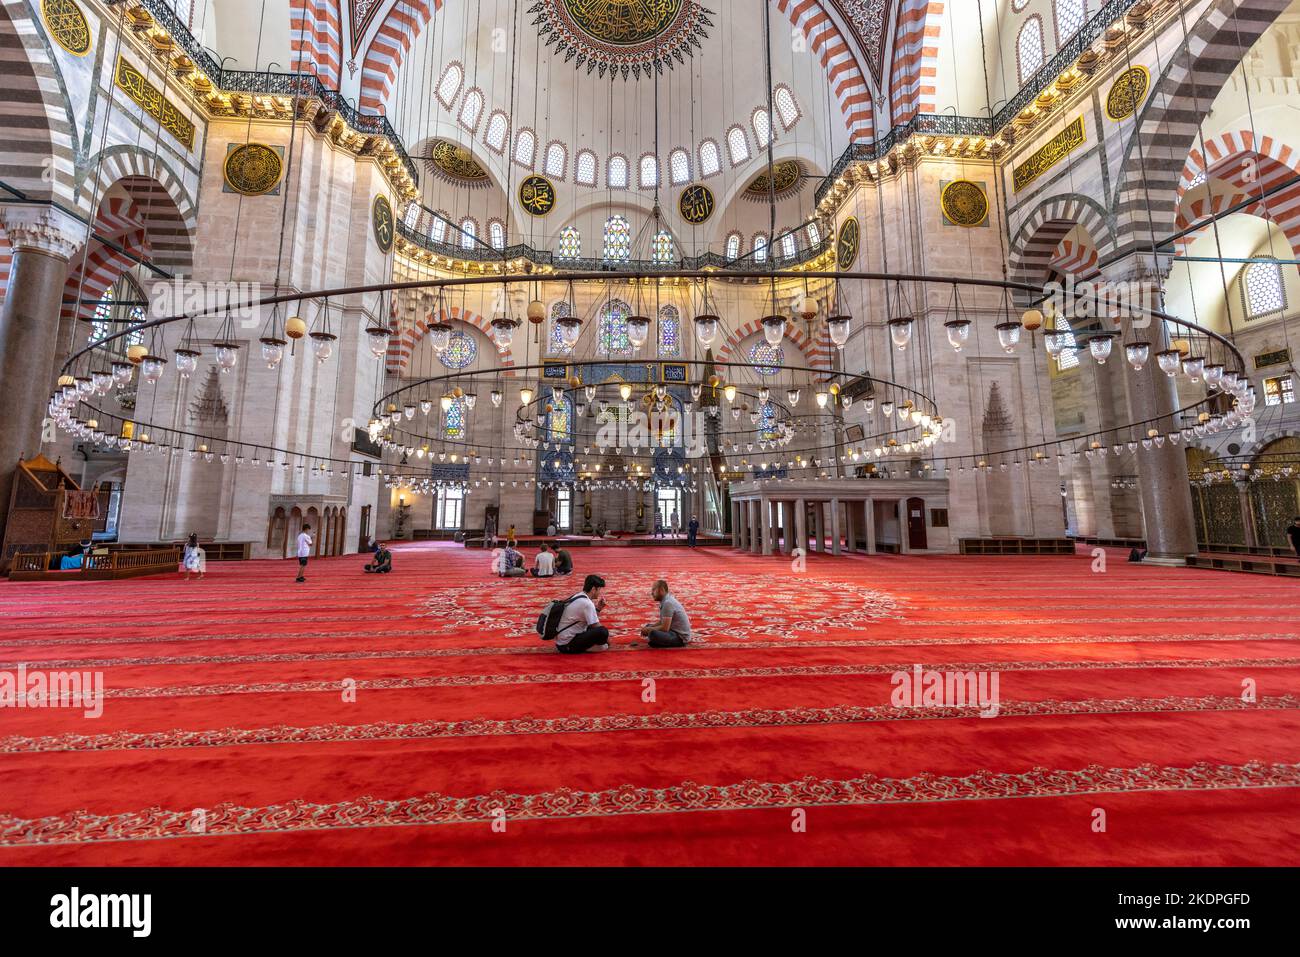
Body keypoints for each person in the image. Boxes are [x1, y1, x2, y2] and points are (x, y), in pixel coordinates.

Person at [554, 574, 610, 654]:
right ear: (594, 589)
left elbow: (591, 622)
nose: (599, 592)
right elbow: (596, 626)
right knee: (603, 631)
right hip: (567, 645)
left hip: (561, 642)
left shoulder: (578, 595)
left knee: (596, 630)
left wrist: (598, 608)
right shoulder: (587, 603)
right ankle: (586, 649)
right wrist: (608, 641)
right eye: (599, 590)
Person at [639, 579, 692, 648]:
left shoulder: (667, 603)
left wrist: (649, 630)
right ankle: (658, 642)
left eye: (653, 590)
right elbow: (662, 621)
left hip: (680, 637)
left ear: (661, 590)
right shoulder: (666, 600)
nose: (651, 593)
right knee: (648, 626)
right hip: (672, 630)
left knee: (652, 633)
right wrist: (649, 628)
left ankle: (661, 642)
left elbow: (665, 628)